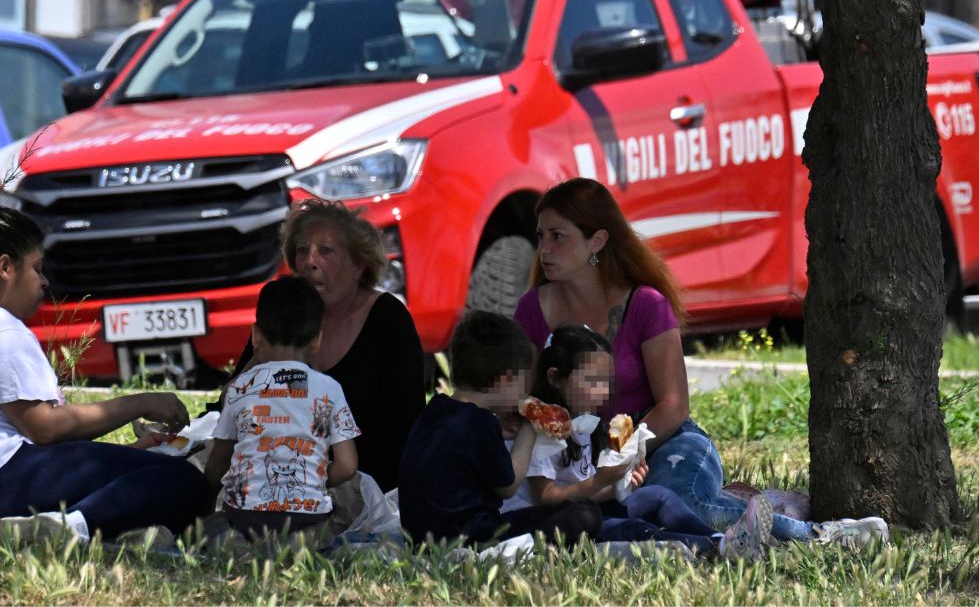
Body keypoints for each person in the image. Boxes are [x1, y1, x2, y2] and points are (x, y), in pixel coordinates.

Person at [514, 178, 888, 547]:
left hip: (662, 440)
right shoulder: (533, 309)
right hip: (584, 461)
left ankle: (825, 536)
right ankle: (761, 509)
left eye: (557, 236)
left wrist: (622, 452)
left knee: (687, 505)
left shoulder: (645, 303)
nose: (544, 249)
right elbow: (529, 398)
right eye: (541, 236)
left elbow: (674, 405)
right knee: (630, 521)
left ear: (597, 240)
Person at [0, 196, 207, 544]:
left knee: (155, 472)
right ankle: (67, 530)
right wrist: (141, 402)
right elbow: (45, 428)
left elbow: (42, 441)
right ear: (5, 268)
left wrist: (130, 455)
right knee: (188, 484)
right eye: (37, 268)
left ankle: (64, 523)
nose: (44, 281)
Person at [514, 325, 772, 559]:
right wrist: (603, 481)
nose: (603, 391)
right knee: (637, 529)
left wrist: (622, 484)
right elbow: (546, 498)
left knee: (658, 495)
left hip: (588, 507)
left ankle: (720, 538)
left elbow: (586, 487)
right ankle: (719, 549)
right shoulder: (543, 429)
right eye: (592, 382)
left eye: (605, 382)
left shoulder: (584, 425)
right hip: (563, 523)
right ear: (555, 378)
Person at [233, 199, 423, 492]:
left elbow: (409, 426)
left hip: (371, 482)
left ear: (358, 265)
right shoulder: (286, 311)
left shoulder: (388, 319)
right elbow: (232, 401)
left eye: (325, 251)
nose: (310, 262)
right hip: (276, 479)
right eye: (301, 251)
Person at [398, 310, 601, 547]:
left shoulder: (437, 409)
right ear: (505, 381)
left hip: (421, 536)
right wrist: (529, 428)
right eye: (522, 383)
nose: (525, 393)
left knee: (577, 509)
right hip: (470, 538)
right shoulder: (479, 422)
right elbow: (508, 485)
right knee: (585, 514)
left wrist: (500, 433)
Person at [205, 276, 360, 541]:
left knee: (212, 529)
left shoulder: (238, 389)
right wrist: (308, 483)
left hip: (245, 520)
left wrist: (205, 504)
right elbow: (347, 467)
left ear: (256, 335)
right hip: (309, 522)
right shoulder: (329, 389)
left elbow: (219, 461)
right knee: (356, 494)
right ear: (317, 341)